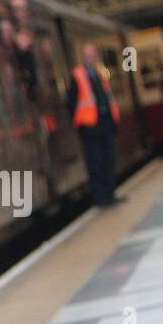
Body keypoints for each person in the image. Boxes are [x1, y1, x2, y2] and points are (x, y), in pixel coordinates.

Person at [67, 44, 124, 205]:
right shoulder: (77, 76)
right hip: (90, 129)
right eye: (87, 55)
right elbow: (71, 103)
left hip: (105, 125)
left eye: (92, 55)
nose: (90, 58)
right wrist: (82, 125)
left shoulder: (100, 75)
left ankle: (111, 194)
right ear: (83, 57)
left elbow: (107, 99)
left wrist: (112, 122)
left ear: (96, 56)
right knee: (95, 162)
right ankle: (101, 197)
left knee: (109, 160)